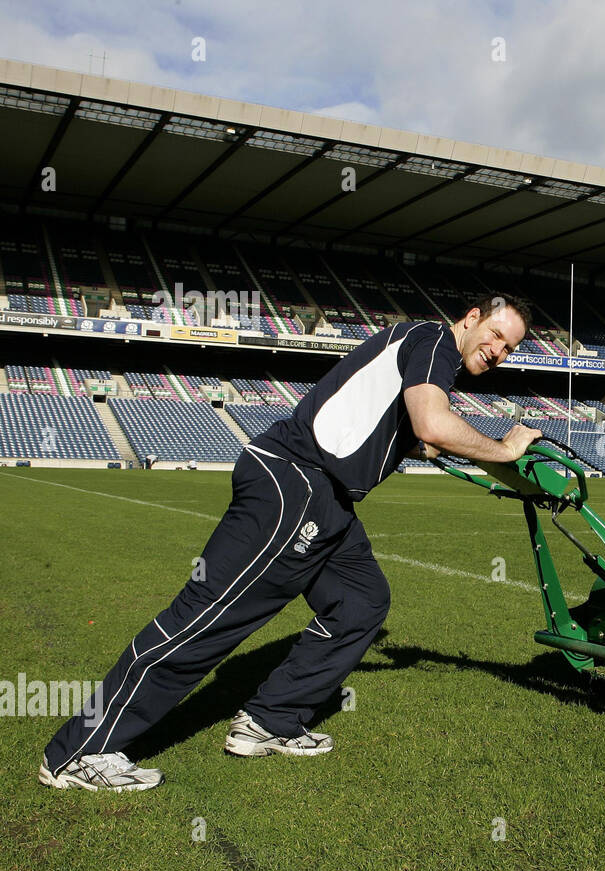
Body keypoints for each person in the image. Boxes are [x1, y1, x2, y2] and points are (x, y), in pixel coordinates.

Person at [40, 294, 542, 791]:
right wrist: (504, 447)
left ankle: (271, 720)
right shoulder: (435, 342)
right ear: (471, 318)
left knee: (361, 601)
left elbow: (421, 433)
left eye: (510, 347)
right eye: (496, 334)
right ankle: (81, 751)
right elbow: (434, 423)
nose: (498, 350)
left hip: (330, 500)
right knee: (207, 617)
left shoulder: (422, 348)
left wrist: (441, 448)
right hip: (296, 485)